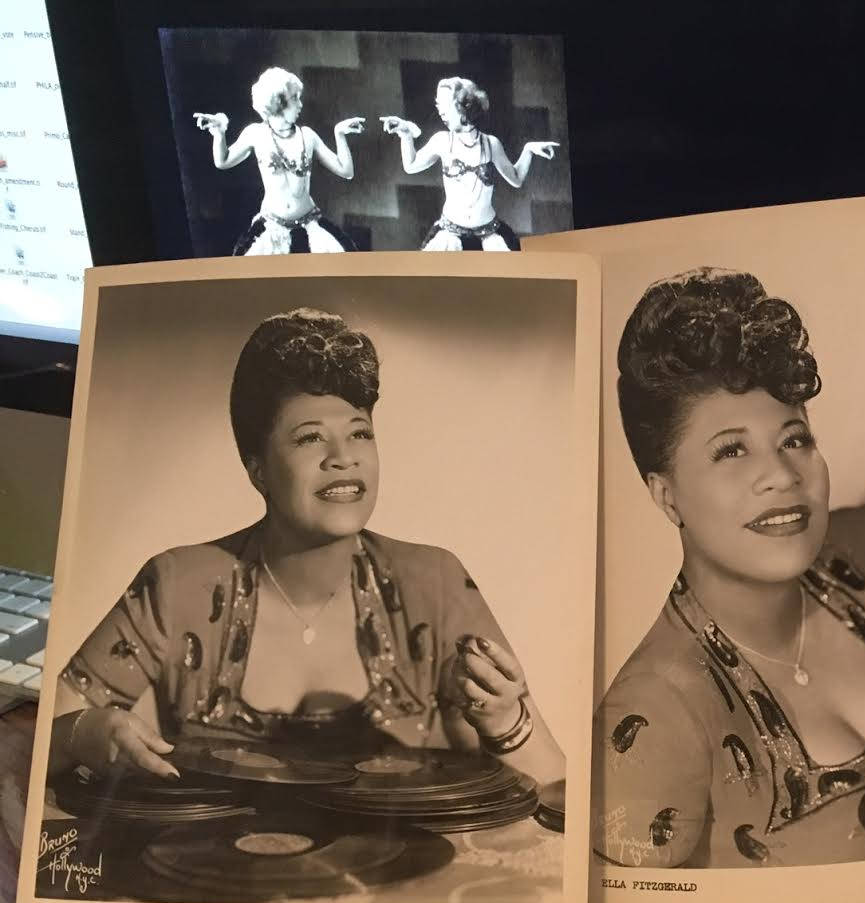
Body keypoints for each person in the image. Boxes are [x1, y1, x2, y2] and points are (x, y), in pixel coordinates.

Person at [594, 268, 865, 870]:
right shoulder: (649, 713)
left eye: (794, 439)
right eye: (732, 450)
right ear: (667, 497)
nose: (783, 475)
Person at [51, 308, 564, 792]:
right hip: (215, 881)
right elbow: (42, 737)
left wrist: (505, 722)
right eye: (309, 438)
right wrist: (86, 732)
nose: (343, 459)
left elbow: (557, 783)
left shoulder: (436, 581)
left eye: (360, 433)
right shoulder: (176, 584)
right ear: (257, 468)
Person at [194, 67, 364, 255]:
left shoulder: (307, 136)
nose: (300, 105)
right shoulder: (256, 134)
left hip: (310, 226)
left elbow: (346, 171)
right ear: (277, 102)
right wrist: (219, 133)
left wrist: (339, 134)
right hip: (271, 230)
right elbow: (223, 161)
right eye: (295, 99)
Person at [380, 78, 560, 252]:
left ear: (463, 106)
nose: (440, 110)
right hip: (450, 236)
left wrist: (528, 150)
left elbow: (517, 178)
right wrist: (405, 134)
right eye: (439, 105)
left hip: (490, 236)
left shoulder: (491, 144)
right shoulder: (442, 141)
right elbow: (411, 166)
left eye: (445, 104)